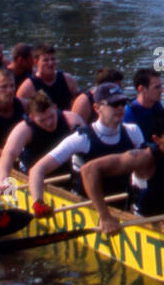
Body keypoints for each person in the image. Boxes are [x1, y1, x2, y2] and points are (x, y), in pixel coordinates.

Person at [81, 107, 164, 236]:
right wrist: (104, 216)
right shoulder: (144, 159)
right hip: (150, 220)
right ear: (157, 140)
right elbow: (89, 170)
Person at [27, 82, 144, 213]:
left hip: (124, 204)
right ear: (97, 108)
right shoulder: (81, 138)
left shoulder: (133, 131)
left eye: (123, 103)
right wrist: (38, 203)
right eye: (114, 104)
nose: (120, 108)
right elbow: (37, 170)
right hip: (87, 207)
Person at [0, 91, 84, 187]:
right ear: (32, 117)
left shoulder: (71, 120)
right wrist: (3, 180)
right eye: (42, 120)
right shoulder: (24, 130)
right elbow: (9, 154)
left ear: (55, 108)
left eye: (51, 116)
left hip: (68, 176)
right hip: (36, 178)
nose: (49, 123)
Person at [16, 44, 79, 111]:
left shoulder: (69, 80)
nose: (50, 63)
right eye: (45, 60)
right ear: (36, 62)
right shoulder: (27, 88)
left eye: (53, 59)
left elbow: (78, 103)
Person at [124, 68, 164, 140]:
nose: (162, 90)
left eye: (161, 86)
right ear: (141, 89)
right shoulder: (129, 112)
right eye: (157, 87)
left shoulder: (157, 106)